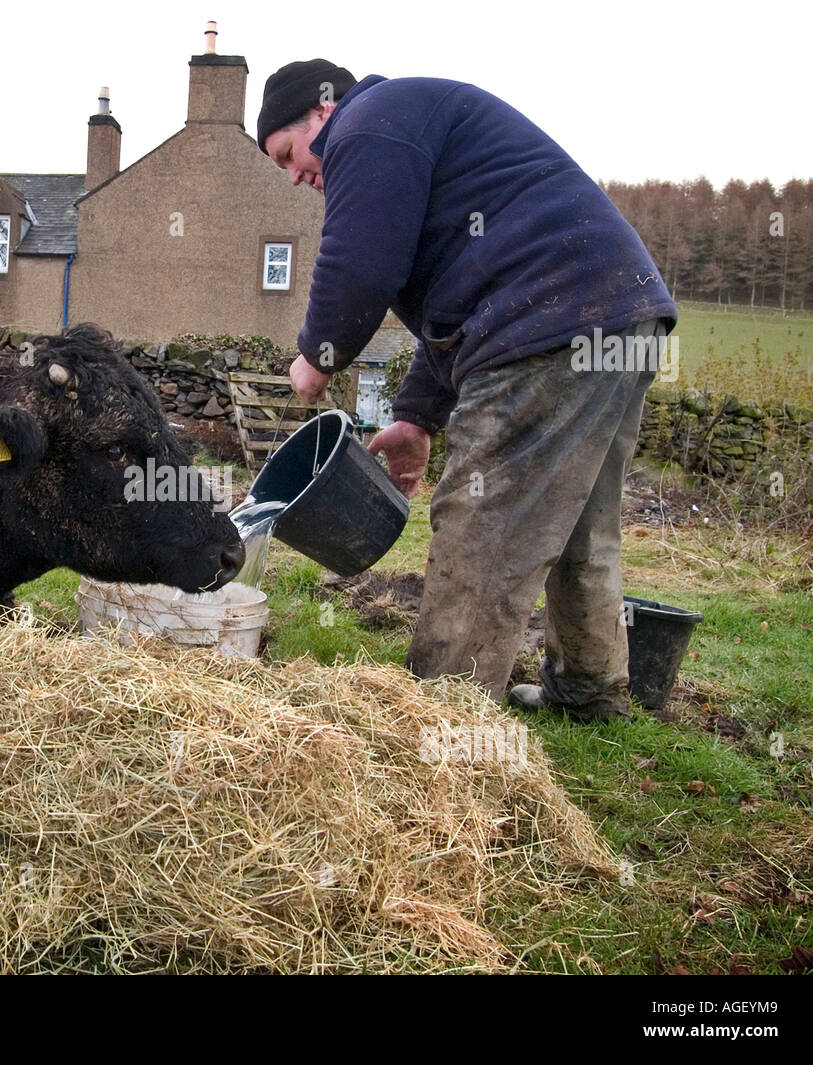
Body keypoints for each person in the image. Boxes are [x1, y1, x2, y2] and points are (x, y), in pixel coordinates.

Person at [258, 59, 677, 721]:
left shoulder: (365, 126)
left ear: (321, 111)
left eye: (288, 153)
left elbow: (360, 261)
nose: (295, 175)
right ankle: (589, 691)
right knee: (581, 520)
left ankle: (444, 714)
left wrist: (317, 354)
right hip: (616, 310)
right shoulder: (406, 126)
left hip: (551, 317)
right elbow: (451, 310)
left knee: (482, 520)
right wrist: (418, 418)